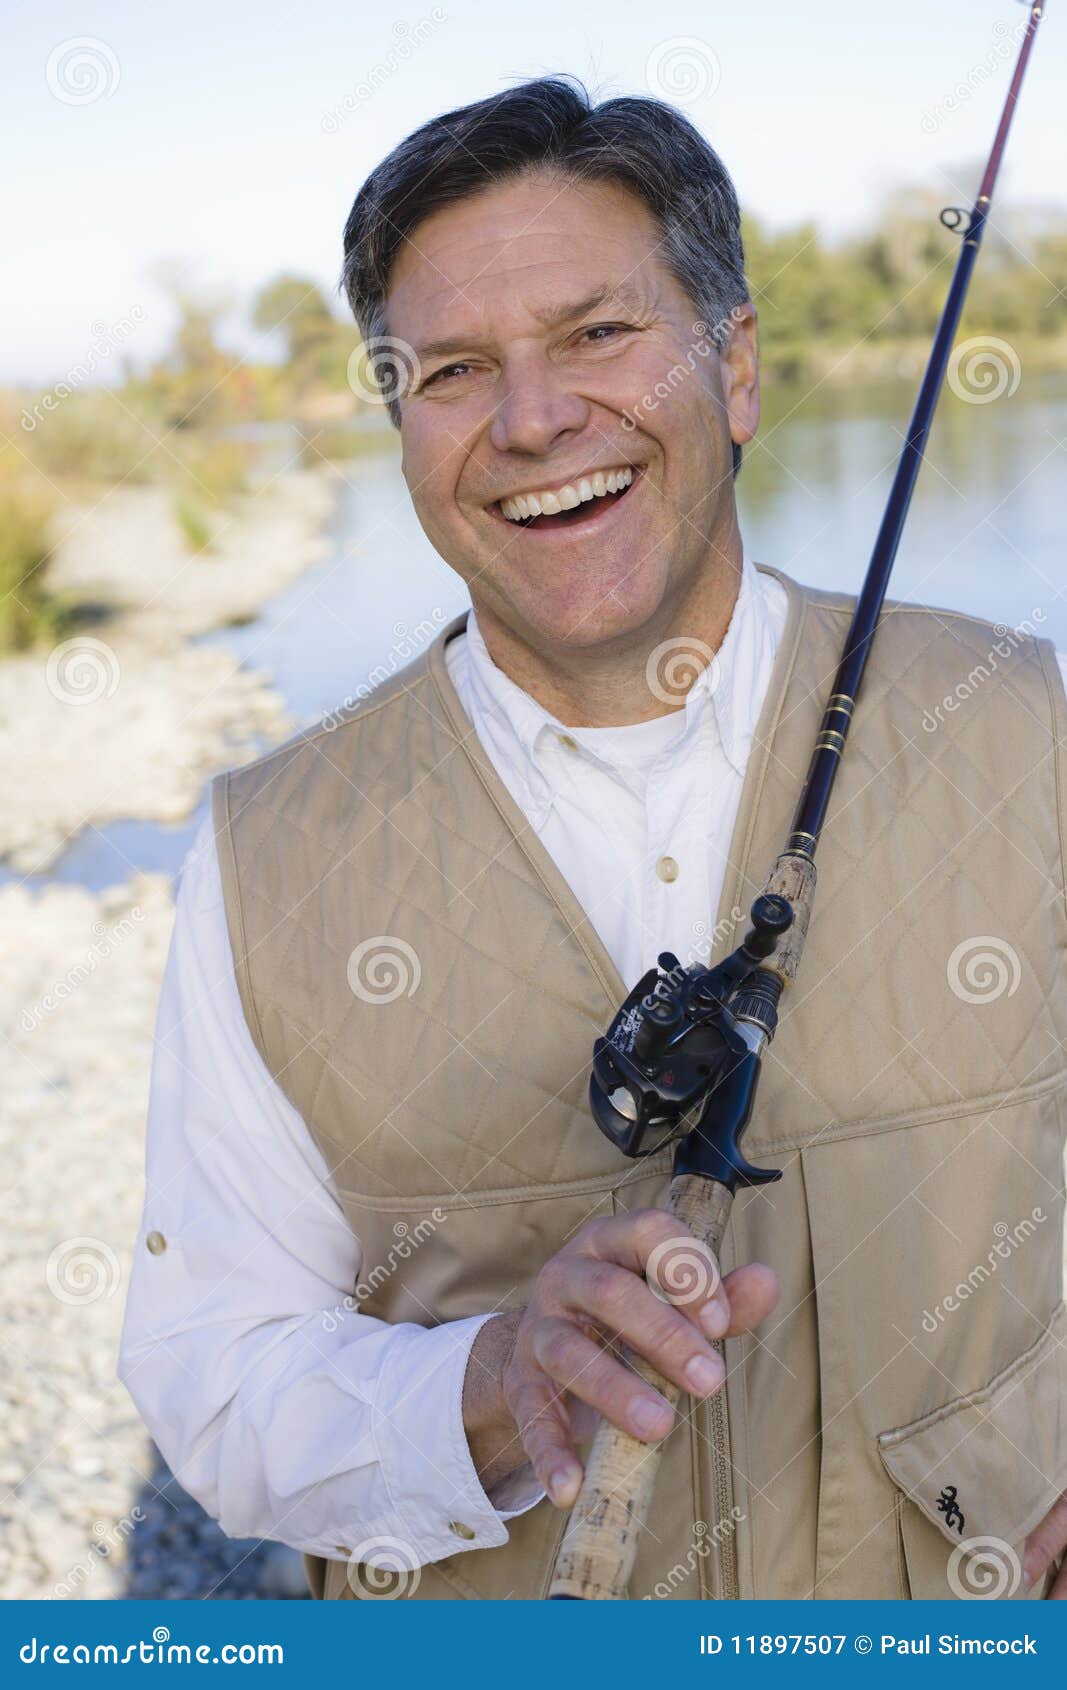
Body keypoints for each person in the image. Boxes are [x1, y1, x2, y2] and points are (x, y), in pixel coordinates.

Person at [119, 77, 1067, 1601]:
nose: (534, 418)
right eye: (454, 370)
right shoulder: (262, 852)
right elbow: (213, 1375)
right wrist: (488, 1380)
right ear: (402, 428)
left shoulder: (1023, 724)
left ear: (735, 369)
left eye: (599, 334)